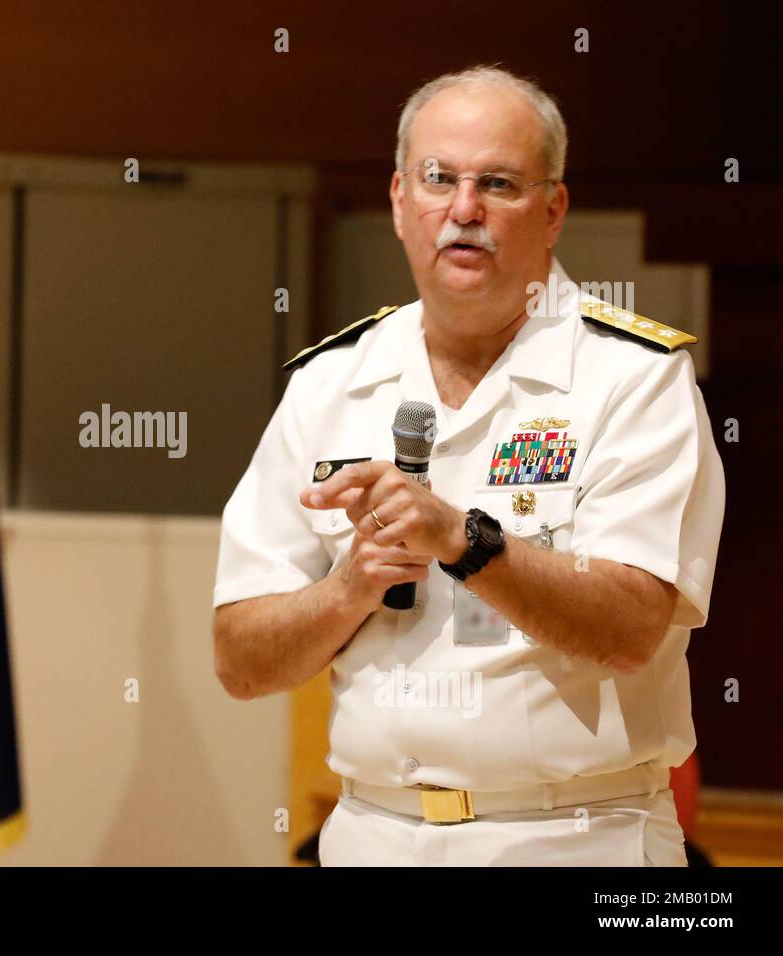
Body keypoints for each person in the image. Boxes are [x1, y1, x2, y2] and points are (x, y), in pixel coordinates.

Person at [211, 65, 725, 866]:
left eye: (498, 183)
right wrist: (349, 586)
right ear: (397, 201)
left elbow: (629, 629)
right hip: (371, 832)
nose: (464, 210)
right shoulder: (329, 382)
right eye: (439, 179)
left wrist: (462, 540)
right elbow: (241, 660)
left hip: (574, 836)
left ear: (553, 210)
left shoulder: (634, 378)